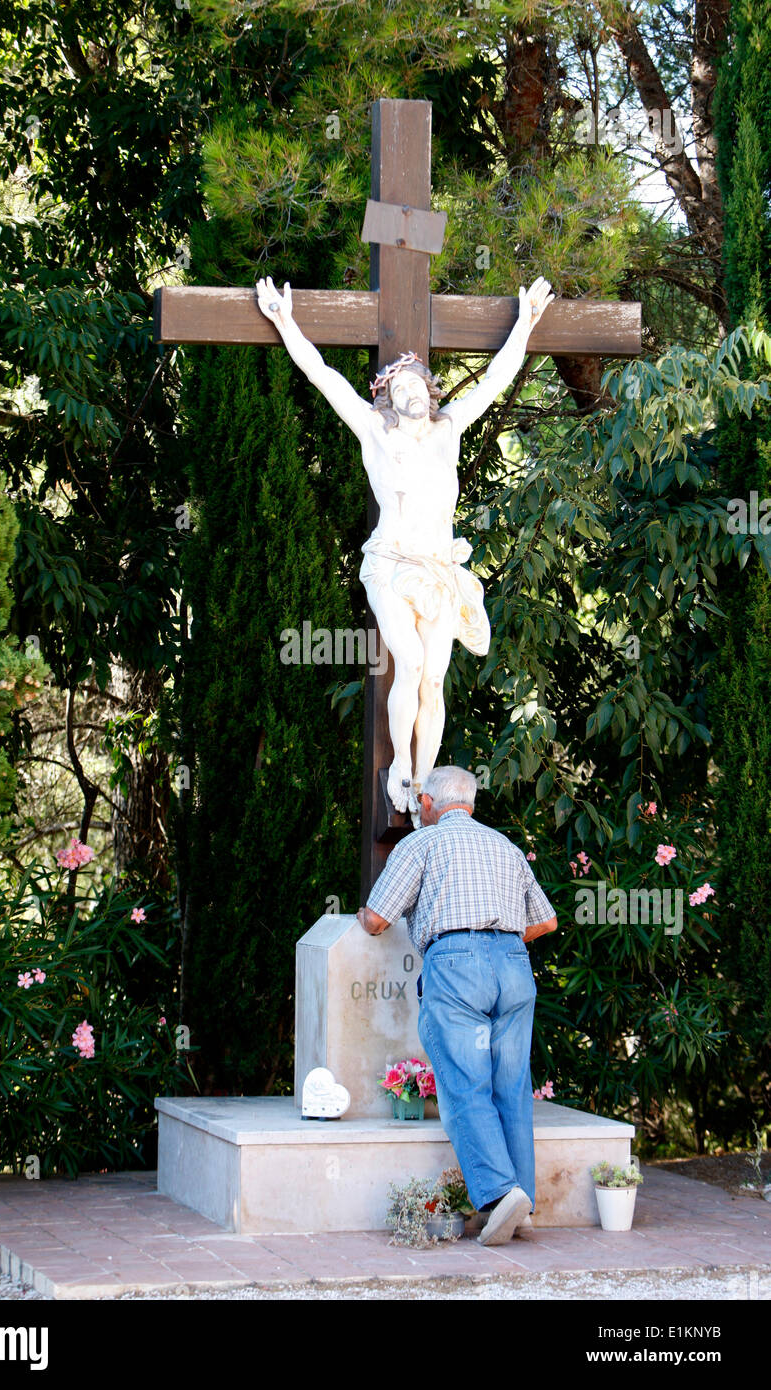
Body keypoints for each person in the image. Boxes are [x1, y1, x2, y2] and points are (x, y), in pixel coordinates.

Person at [255, 275, 554, 821]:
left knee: (436, 678)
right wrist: (283, 319)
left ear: (430, 389)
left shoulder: (449, 429)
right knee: (409, 663)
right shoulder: (375, 431)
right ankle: (399, 767)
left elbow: (492, 381)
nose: (411, 393)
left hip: (439, 572)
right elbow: (323, 376)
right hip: (391, 566)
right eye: (399, 390)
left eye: (417, 386)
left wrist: (527, 323)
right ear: (388, 399)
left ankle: (422, 788)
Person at [356, 764, 557, 1245]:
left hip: (456, 964)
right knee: (511, 1086)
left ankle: (499, 1193)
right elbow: (546, 922)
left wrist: (366, 916)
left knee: (465, 1084)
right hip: (513, 965)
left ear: (427, 803)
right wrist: (501, 939)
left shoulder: (420, 844)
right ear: (470, 802)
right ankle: (521, 1201)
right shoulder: (504, 846)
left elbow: (378, 919)